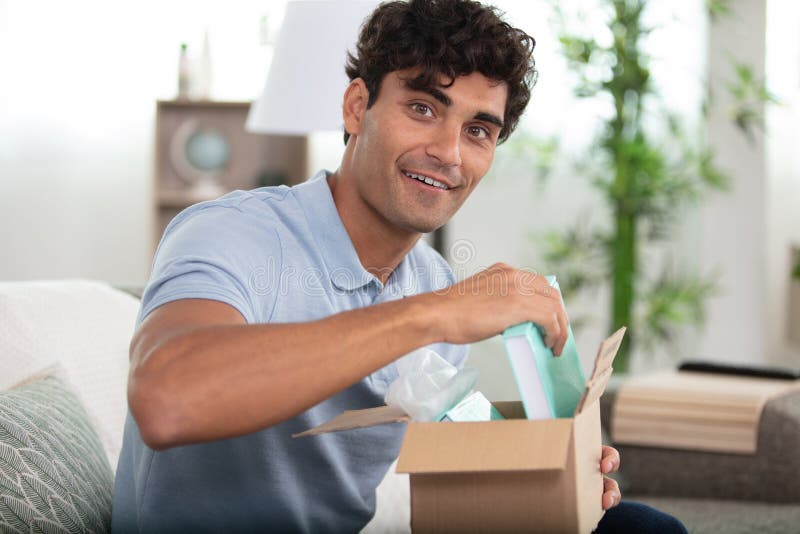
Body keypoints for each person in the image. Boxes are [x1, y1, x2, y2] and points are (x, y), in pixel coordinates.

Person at [112, 0, 687, 532]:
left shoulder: (432, 285)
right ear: (358, 107)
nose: (449, 152)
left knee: (635, 527)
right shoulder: (233, 233)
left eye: (478, 130)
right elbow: (167, 401)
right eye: (422, 107)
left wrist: (554, 467)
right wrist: (432, 316)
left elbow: (461, 469)